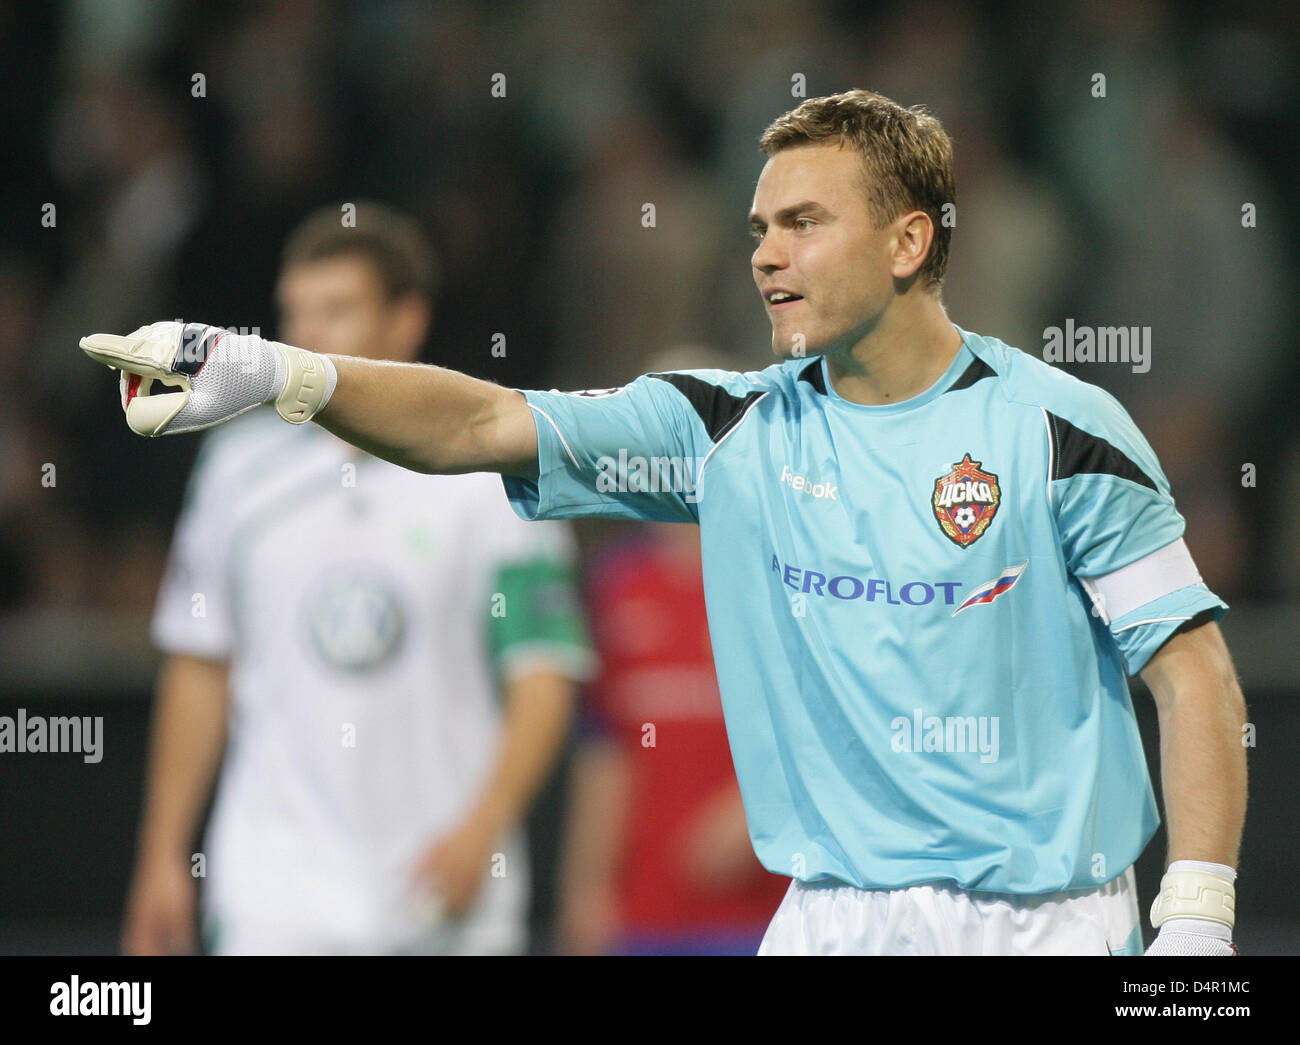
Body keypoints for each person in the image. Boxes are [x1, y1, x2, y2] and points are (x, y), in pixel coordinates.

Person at [88, 91, 1246, 956]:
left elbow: (1192, 679)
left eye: (802, 223)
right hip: (829, 918)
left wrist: (1195, 911)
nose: (764, 254)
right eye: (757, 226)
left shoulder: (1063, 430)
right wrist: (278, 374)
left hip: (1044, 924)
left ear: (907, 242)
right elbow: (483, 421)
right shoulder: (722, 430)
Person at [118, 202, 591, 956]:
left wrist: (482, 828)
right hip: (276, 888)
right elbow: (199, 661)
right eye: (294, 314)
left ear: (407, 322)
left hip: (446, 885)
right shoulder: (236, 471)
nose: (306, 337)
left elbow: (543, 671)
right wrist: (162, 855)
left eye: (336, 310)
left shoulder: (490, 475)